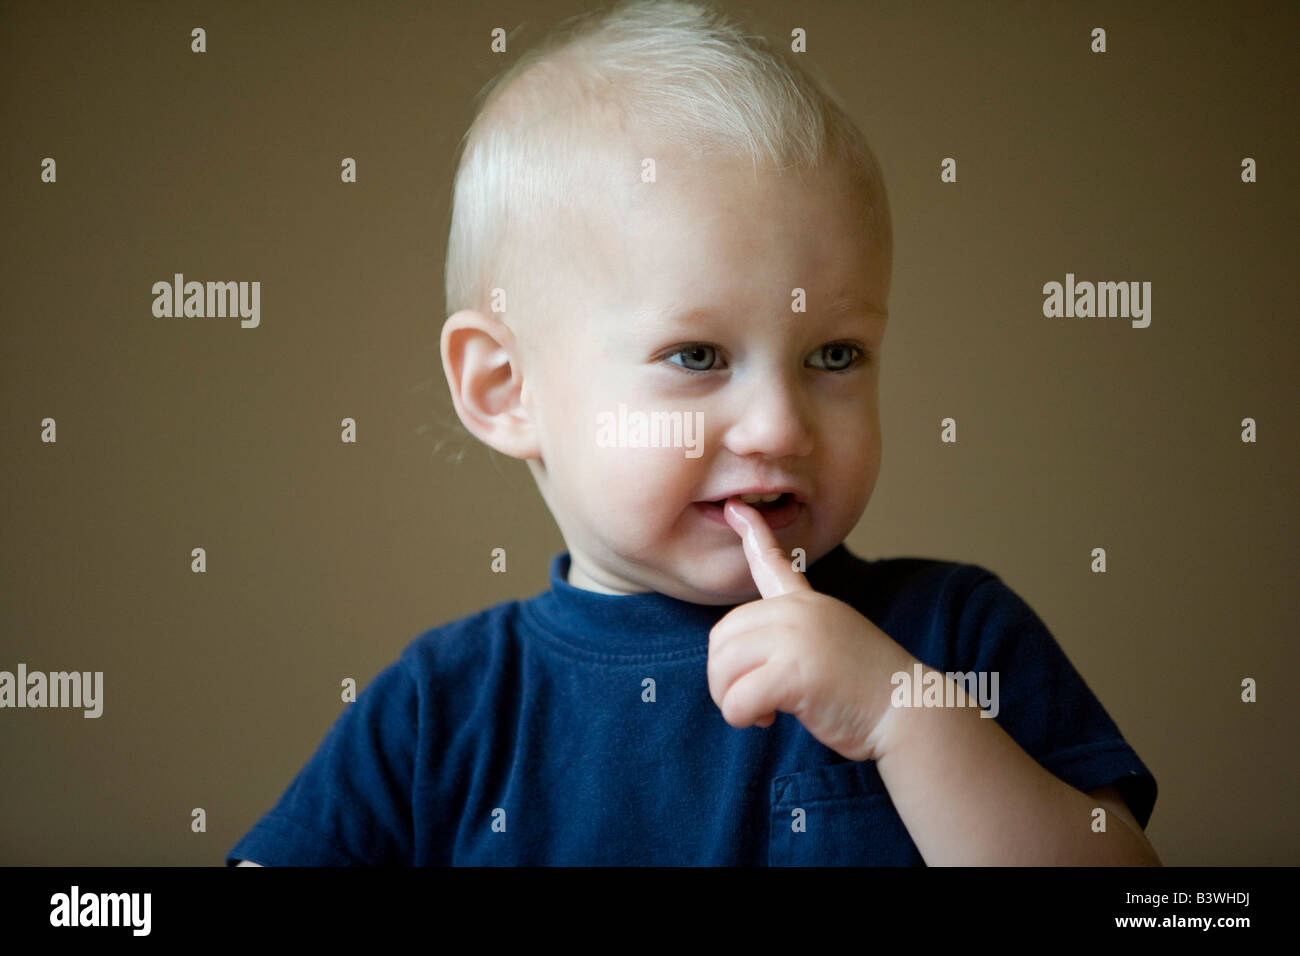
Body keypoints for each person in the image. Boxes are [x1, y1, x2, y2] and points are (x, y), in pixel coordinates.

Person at [229, 0, 1158, 866]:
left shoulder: (950, 635)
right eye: (697, 355)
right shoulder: (441, 711)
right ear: (506, 388)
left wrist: (896, 717)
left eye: (834, 355)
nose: (779, 423)